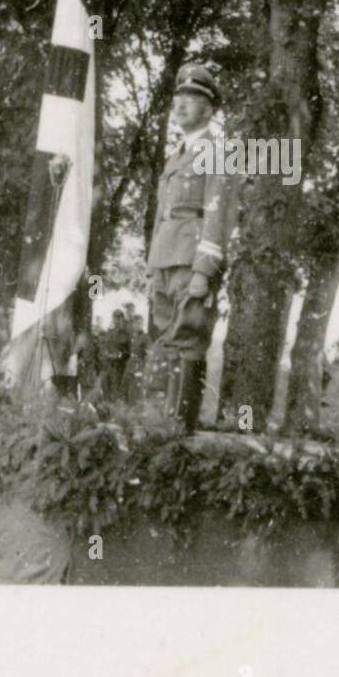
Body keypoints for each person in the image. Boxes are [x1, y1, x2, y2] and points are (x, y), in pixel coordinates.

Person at [145, 63, 240, 434]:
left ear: (209, 109)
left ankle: (181, 427)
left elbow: (219, 212)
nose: (182, 103)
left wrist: (204, 268)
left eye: (193, 97)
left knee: (189, 337)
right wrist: (152, 265)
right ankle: (167, 425)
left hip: (191, 257)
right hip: (166, 257)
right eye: (179, 96)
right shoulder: (176, 155)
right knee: (168, 337)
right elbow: (161, 215)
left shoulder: (218, 152)